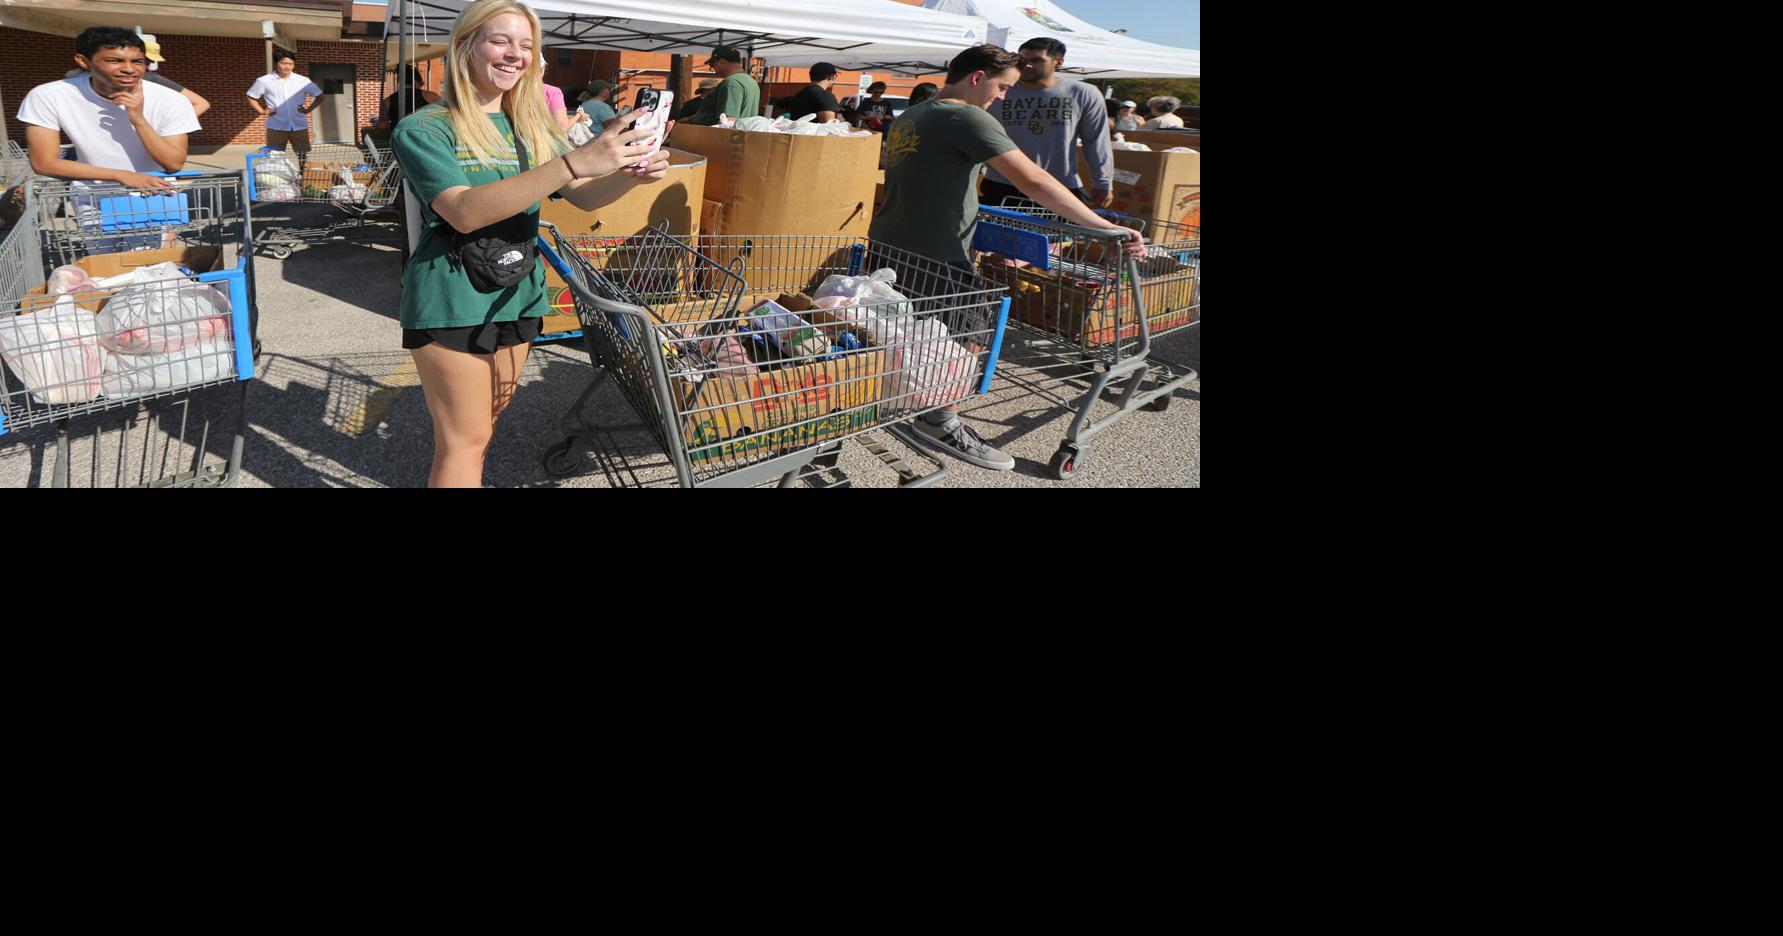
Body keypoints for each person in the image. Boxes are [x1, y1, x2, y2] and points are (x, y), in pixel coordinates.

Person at [391, 0, 672, 488]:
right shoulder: (425, 127)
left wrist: (631, 176)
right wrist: (573, 163)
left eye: (526, 45)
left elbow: (583, 196)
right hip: (451, 298)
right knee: (463, 441)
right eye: (499, 40)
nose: (514, 55)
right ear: (465, 45)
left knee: (486, 427)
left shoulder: (532, 126)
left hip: (518, 289)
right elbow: (463, 210)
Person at [870, 44, 1143, 471]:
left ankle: (912, 403)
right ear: (977, 77)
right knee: (968, 334)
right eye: (1001, 87)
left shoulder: (913, 114)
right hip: (938, 249)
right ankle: (939, 421)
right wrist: (1105, 227)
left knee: (919, 333)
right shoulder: (965, 115)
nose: (1002, 98)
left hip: (892, 239)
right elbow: (1031, 178)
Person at [20, 27, 199, 197]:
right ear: (84, 61)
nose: (129, 69)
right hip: (93, 196)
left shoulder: (171, 100)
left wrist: (138, 120)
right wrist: (123, 175)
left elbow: (173, 164)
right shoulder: (48, 96)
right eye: (115, 61)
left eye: (137, 61)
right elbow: (43, 163)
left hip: (157, 191)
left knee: (163, 231)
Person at [980, 38, 1113, 209]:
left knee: (1060, 236)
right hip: (1002, 183)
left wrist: (1103, 182)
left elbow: (1096, 140)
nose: (1027, 65)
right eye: (1023, 60)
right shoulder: (1000, 89)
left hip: (1059, 184)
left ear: (1057, 62)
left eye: (1036, 60)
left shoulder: (1082, 93)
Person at [64, 34, 209, 118]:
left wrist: (168, 126)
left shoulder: (150, 78)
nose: (145, 66)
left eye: (141, 61)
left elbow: (201, 103)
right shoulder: (73, 79)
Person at [247, 50, 324, 158]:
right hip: (276, 125)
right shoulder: (264, 81)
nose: (287, 67)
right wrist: (262, 111)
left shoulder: (303, 80)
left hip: (299, 124)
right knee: (275, 155)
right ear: (276, 63)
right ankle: (278, 174)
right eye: (283, 63)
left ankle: (303, 174)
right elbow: (251, 96)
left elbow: (320, 96)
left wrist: (308, 110)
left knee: (302, 154)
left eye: (290, 64)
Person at [682, 46, 759, 125]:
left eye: (712, 64)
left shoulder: (731, 83)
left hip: (718, 136)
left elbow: (728, 121)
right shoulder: (751, 81)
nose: (712, 68)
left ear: (721, 62)